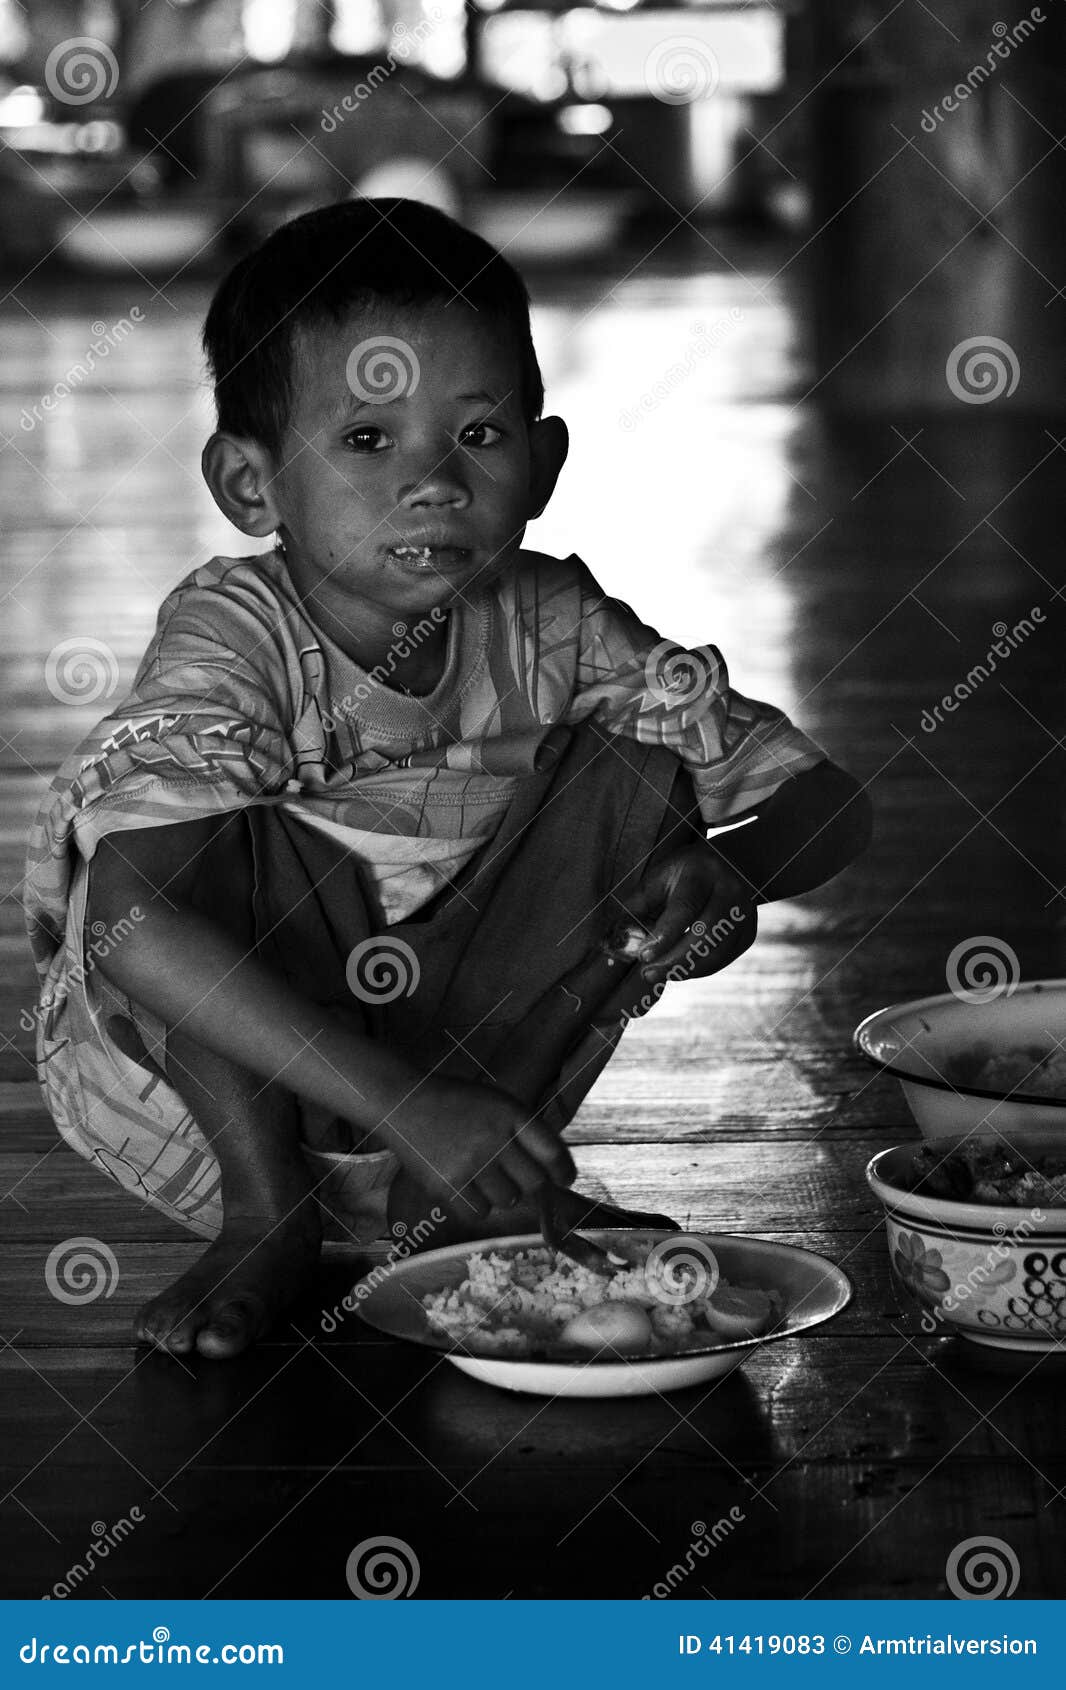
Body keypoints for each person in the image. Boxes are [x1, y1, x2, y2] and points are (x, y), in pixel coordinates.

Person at [23, 198, 871, 1361]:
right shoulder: (237, 634)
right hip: (208, 1089)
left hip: (462, 1086)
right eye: (367, 440)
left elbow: (832, 805)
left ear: (543, 461)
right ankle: (268, 1219)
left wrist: (725, 873)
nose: (432, 482)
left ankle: (478, 1194)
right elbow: (127, 928)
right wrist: (402, 1103)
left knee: (643, 775)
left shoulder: (557, 625)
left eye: (476, 436)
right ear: (249, 486)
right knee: (172, 850)